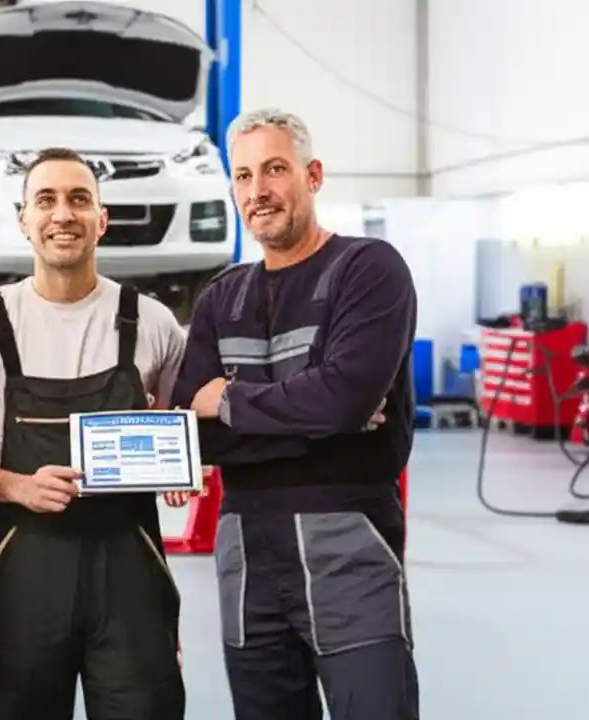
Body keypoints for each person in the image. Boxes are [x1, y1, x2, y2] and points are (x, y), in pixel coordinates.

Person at [171, 108, 420, 719]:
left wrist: (228, 402)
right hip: (245, 548)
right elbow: (195, 438)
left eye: (275, 169)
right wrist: (318, 416)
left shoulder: (368, 269)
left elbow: (344, 399)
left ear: (312, 175)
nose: (258, 191)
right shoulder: (221, 296)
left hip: (349, 536)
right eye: (244, 176)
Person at [0, 147, 190, 720]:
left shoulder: (151, 322)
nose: (63, 214)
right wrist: (18, 487)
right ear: (23, 217)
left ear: (102, 219)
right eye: (45, 200)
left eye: (80, 199)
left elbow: (180, 430)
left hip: (131, 573)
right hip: (25, 570)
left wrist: (182, 466)